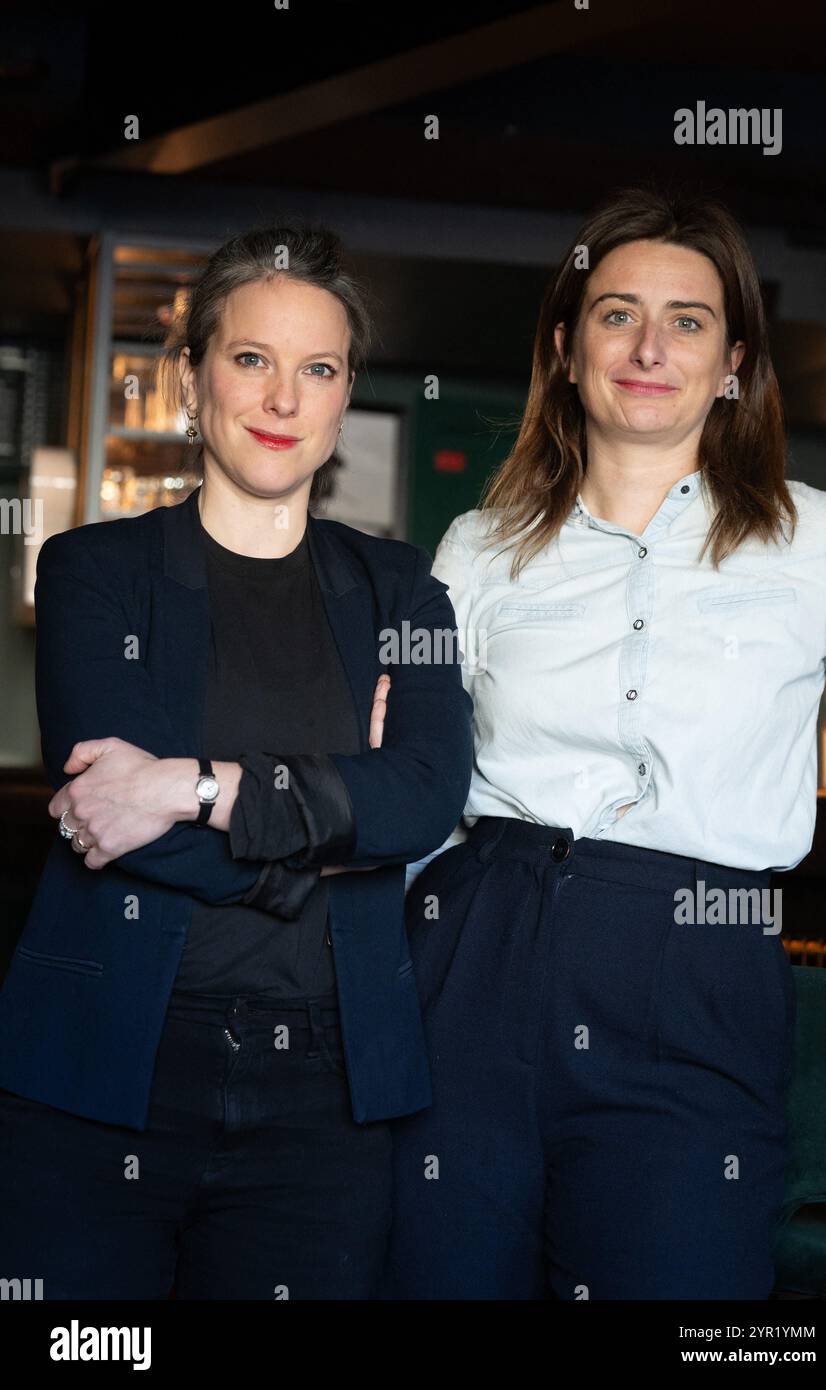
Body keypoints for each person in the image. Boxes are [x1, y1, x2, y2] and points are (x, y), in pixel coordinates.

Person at [382, 187, 826, 1300]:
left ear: (733, 359)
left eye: (688, 321)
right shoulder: (480, 544)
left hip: (698, 964)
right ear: (564, 346)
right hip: (473, 952)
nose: (650, 347)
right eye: (615, 314)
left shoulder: (817, 540)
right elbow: (410, 773)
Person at [0, 222, 472, 1300]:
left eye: (318, 369)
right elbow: (107, 814)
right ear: (191, 378)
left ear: (344, 396)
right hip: (103, 1068)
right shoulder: (92, 573)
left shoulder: (403, 592)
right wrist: (334, 832)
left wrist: (192, 786)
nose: (281, 399)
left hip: (329, 1092)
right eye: (250, 359)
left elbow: (424, 798)